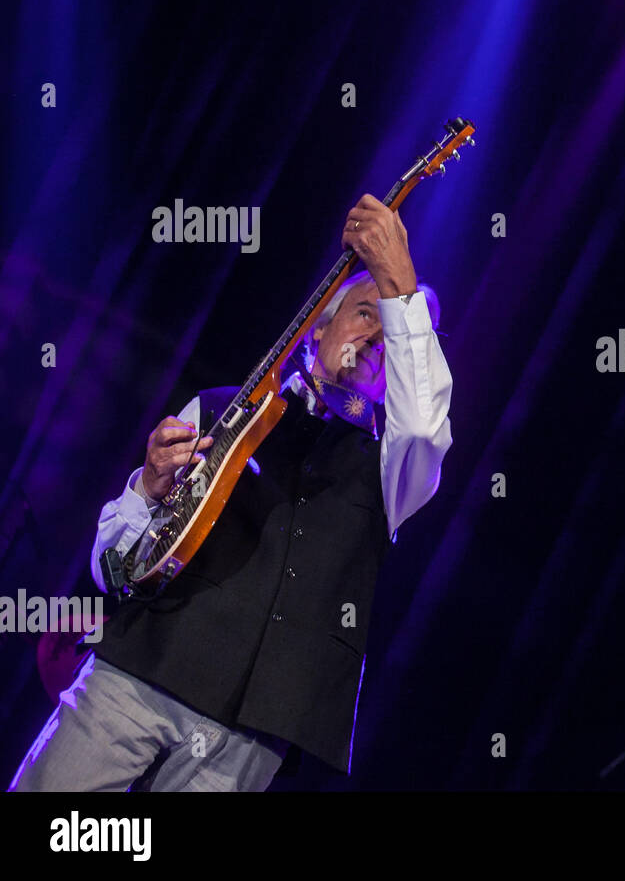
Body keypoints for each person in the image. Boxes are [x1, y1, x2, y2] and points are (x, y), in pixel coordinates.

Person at [8, 194, 453, 791]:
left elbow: (422, 424)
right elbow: (112, 567)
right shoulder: (222, 409)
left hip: (250, 734)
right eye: (366, 313)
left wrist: (401, 283)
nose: (378, 336)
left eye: (394, 331)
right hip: (138, 674)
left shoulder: (396, 469)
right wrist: (147, 490)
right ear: (319, 328)